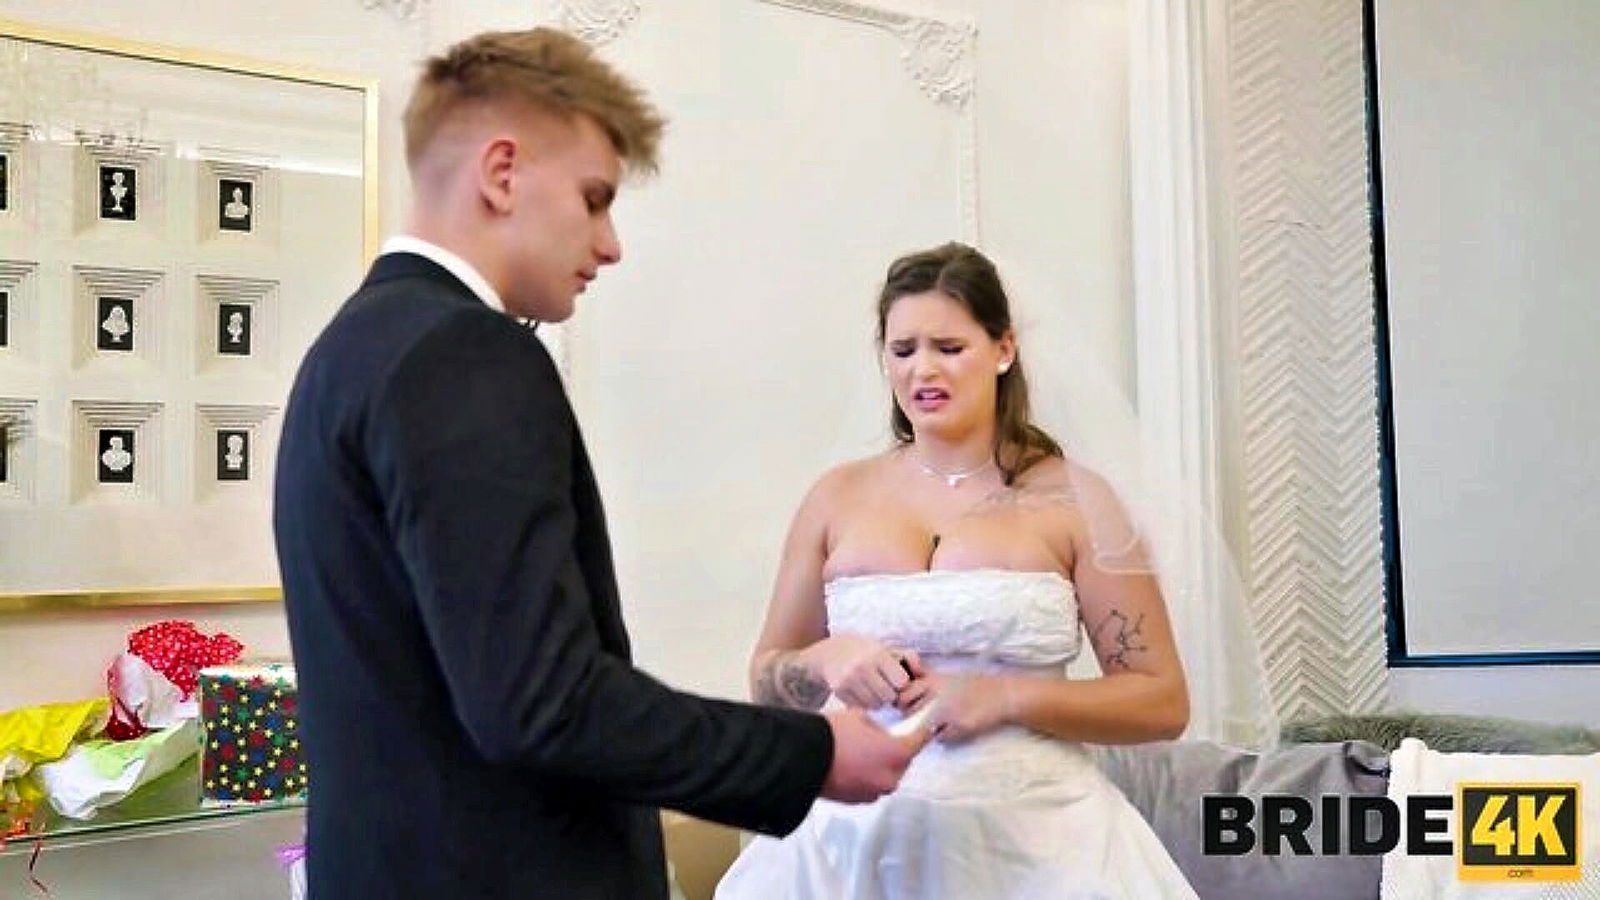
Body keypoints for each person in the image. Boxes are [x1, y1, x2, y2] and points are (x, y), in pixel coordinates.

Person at [273, 28, 922, 899]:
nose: (611, 243)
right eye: (594, 199)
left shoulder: (343, 354)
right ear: (502, 173)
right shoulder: (468, 354)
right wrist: (811, 753)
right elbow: (541, 702)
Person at [717, 242, 1200, 899]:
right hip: (849, 846)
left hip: (1039, 847)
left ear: (1003, 349)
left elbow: (1162, 701)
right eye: (903, 349)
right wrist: (826, 660)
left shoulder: (1078, 502)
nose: (923, 369)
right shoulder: (835, 498)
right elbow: (767, 685)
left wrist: (1004, 698)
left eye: (948, 347)